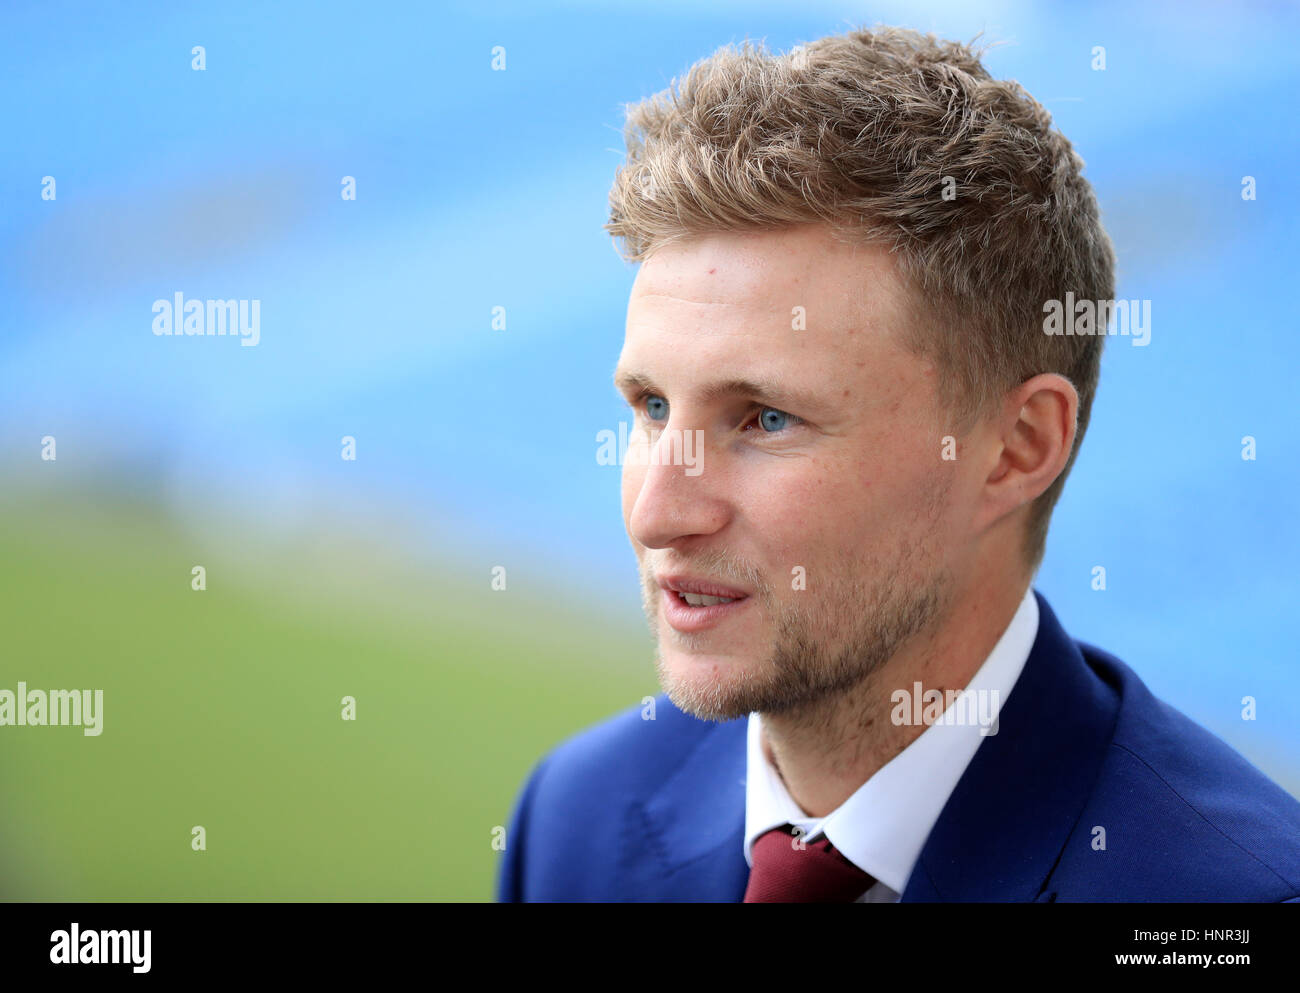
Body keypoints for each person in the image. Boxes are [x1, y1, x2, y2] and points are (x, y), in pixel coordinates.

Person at [497, 26, 1300, 902]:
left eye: (766, 419)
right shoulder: (576, 822)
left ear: (1018, 447)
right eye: (652, 406)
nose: (657, 513)